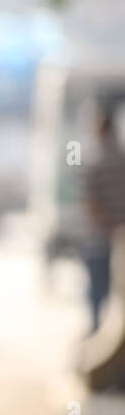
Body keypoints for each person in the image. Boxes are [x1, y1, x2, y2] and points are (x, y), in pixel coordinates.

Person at [83, 108, 125, 333]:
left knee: (97, 288)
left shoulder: (95, 161)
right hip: (122, 233)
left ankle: (97, 328)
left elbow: (90, 201)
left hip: (100, 234)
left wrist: (104, 223)